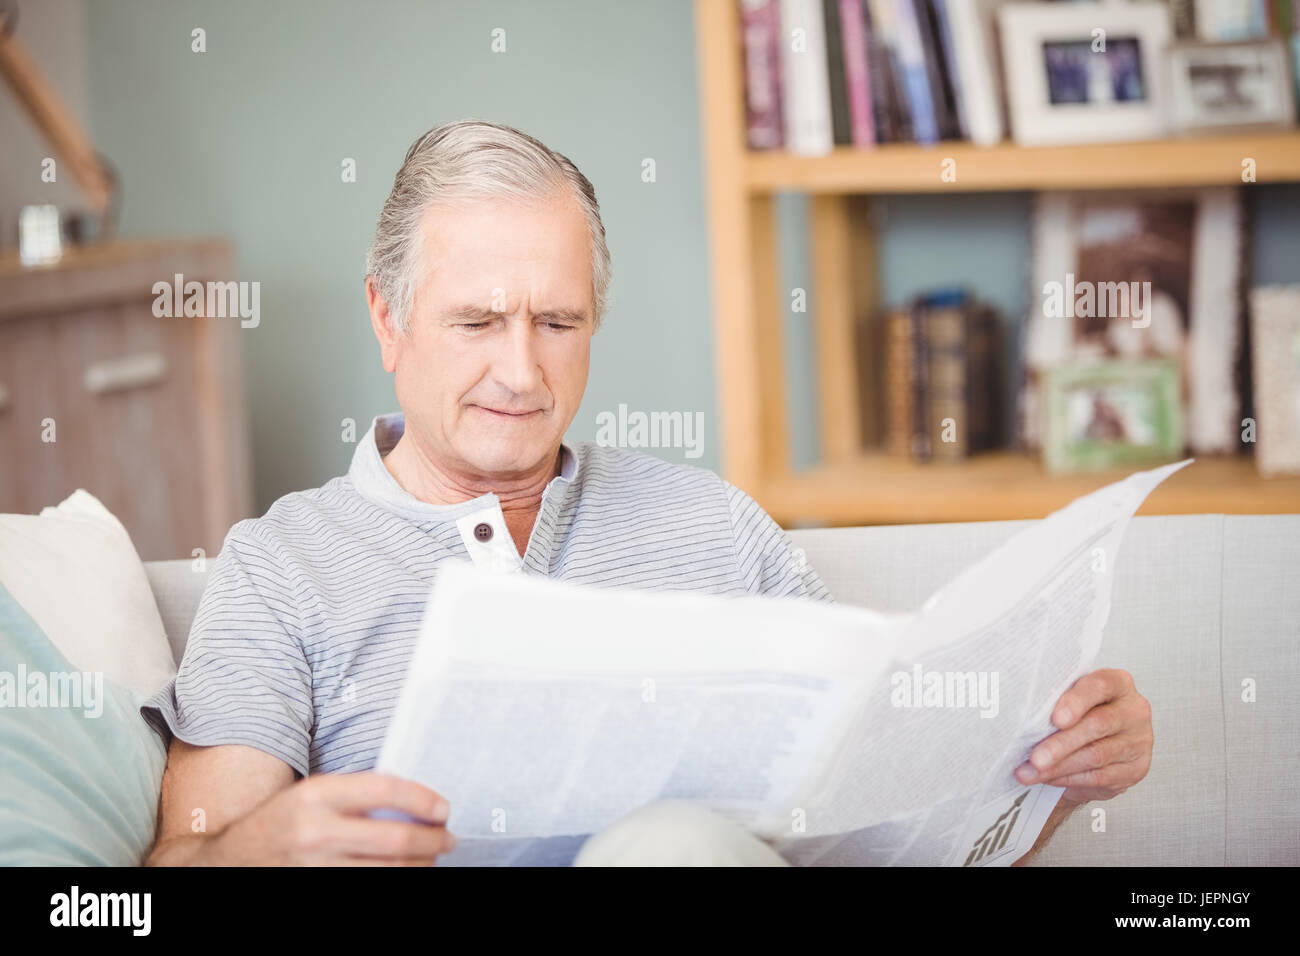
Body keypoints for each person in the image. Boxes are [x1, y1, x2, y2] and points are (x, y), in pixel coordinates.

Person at [141, 120, 1153, 866]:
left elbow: (873, 836)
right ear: (387, 318)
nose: (522, 372)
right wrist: (262, 847)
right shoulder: (284, 563)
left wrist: (1050, 773)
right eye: (477, 321)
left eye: (558, 321)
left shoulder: (709, 522)